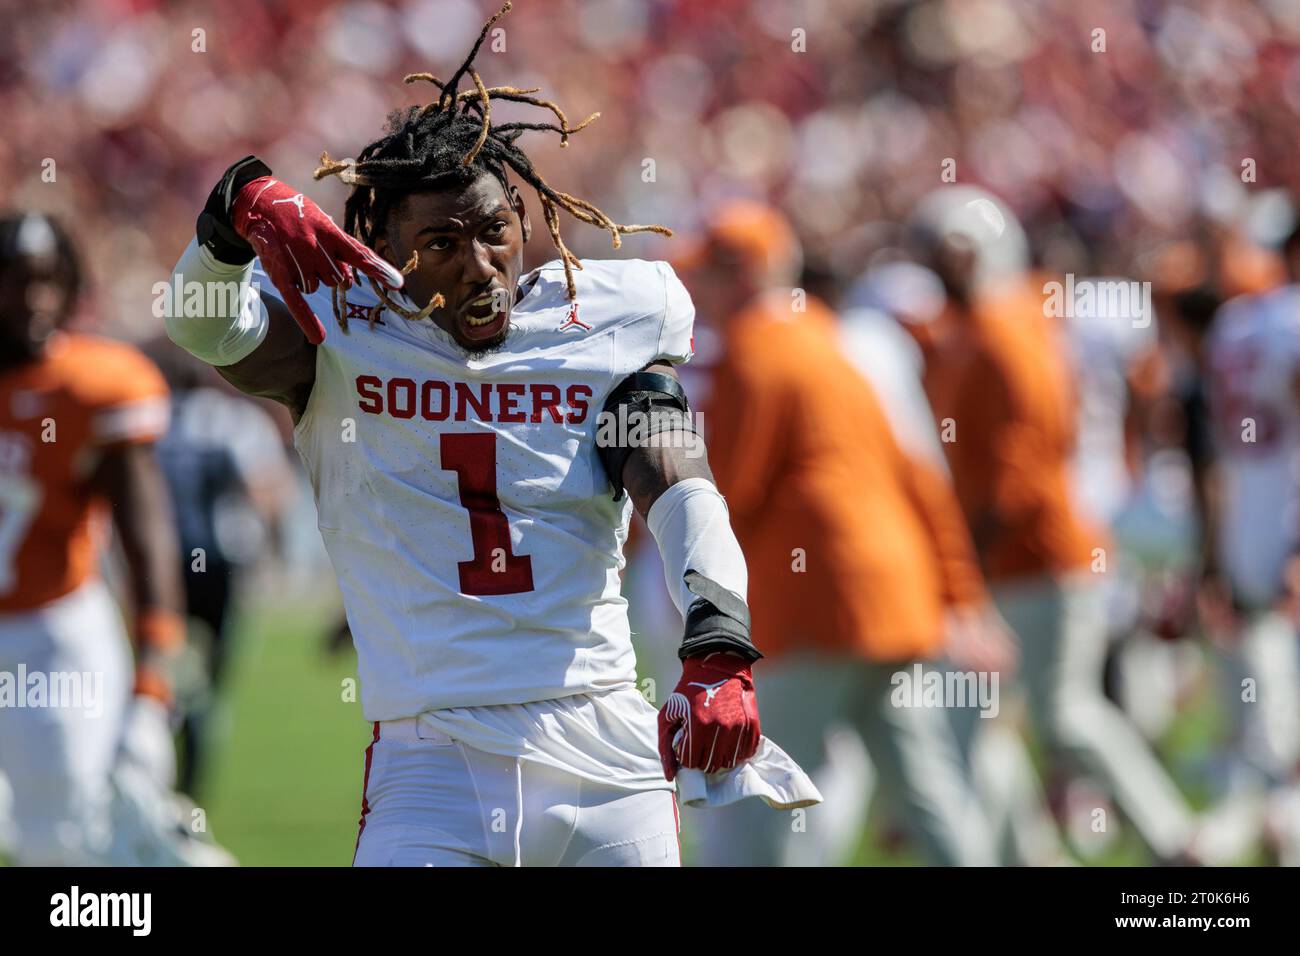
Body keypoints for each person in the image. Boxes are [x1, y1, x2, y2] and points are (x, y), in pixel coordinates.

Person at [163, 3, 771, 867]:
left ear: (524, 219)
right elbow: (204, 328)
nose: (480, 265)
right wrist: (231, 215)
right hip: (432, 760)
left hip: (607, 750)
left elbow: (677, 484)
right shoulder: (344, 330)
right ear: (377, 242)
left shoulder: (604, 319)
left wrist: (719, 643)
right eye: (440, 244)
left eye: (494, 232)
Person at [678, 201, 1002, 866]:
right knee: (924, 791)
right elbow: (915, 474)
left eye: (706, 277)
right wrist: (960, 594)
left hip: (816, 607)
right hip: (895, 596)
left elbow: (724, 490)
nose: (695, 292)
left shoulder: (753, 351)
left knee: (756, 794)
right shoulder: (829, 339)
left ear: (740, 277)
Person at [911, 186, 1200, 863]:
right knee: (975, 724)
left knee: (1056, 715)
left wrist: (965, 562)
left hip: (1037, 556)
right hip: (1035, 552)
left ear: (969, 253)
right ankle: (1030, 855)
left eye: (939, 254)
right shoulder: (1009, 319)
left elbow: (1017, 472)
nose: (931, 271)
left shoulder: (1003, 328)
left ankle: (1175, 838)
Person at [0, 211, 229, 865]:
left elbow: (147, 535)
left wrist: (154, 682)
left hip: (54, 638)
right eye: (15, 281)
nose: (34, 300)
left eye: (48, 280)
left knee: (64, 840)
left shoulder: (91, 387)